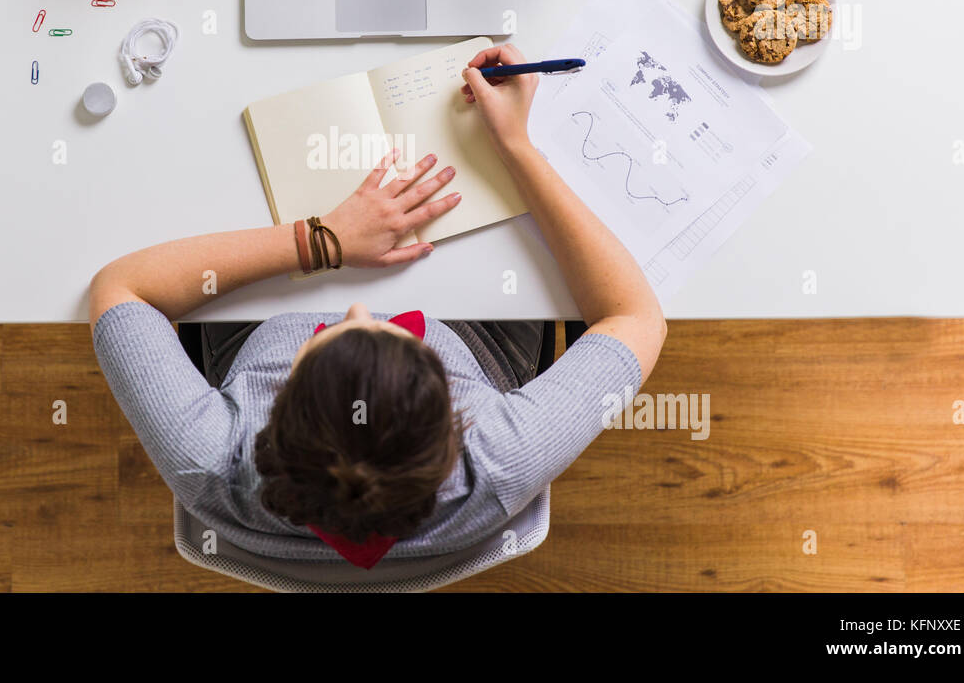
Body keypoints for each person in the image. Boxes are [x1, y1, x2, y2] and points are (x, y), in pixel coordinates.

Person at [90, 44, 666, 568]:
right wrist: (516, 145)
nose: (359, 309)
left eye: (328, 337)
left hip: (260, 323)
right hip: (480, 344)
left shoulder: (210, 459)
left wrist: (323, 240)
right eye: (395, 336)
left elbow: (121, 288)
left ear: (276, 412)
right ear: (455, 421)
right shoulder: (499, 460)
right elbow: (635, 316)